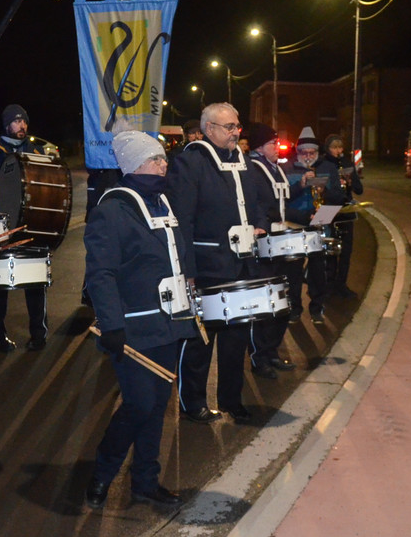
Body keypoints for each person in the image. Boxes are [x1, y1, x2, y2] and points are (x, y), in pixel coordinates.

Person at [83, 131, 196, 511]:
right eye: (155, 160)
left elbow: (179, 255)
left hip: (168, 322)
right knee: (140, 405)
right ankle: (102, 472)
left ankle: (145, 482)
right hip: (131, 328)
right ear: (133, 166)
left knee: (157, 404)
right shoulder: (111, 210)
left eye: (163, 159)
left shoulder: (163, 201)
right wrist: (111, 324)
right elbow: (100, 274)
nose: (164, 166)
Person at [167, 102, 264, 424]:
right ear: (209, 129)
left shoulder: (244, 160)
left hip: (242, 265)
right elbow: (182, 221)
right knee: (200, 340)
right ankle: (192, 402)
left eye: (237, 126)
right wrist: (188, 272)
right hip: (207, 266)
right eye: (229, 127)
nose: (236, 131)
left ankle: (231, 401)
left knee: (236, 339)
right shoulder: (190, 162)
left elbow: (255, 203)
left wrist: (259, 224)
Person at [0, 104, 48, 353]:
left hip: (29, 221)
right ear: (7, 125)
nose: (22, 126)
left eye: (24, 122)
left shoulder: (34, 150)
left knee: (35, 280)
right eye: (17, 122)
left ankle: (39, 334)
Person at [242, 122, 299, 376]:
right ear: (259, 147)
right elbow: (261, 206)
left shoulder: (276, 169)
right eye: (271, 144)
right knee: (265, 301)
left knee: (283, 298)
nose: (276, 148)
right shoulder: (253, 170)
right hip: (265, 242)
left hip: (280, 240)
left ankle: (272, 351)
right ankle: (259, 357)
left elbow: (283, 201)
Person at [283, 126, 329, 322]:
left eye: (312, 153)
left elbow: (337, 196)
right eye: (304, 153)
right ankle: (295, 308)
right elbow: (282, 199)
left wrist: (329, 191)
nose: (308, 156)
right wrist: (301, 184)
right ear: (298, 153)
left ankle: (317, 308)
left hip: (318, 224)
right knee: (293, 270)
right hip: (294, 225)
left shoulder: (325, 168)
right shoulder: (286, 169)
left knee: (318, 270)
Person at [314, 133, 363, 295]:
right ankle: (327, 285)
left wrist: (351, 181)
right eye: (334, 147)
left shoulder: (346, 163)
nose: (338, 150)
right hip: (328, 211)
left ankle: (341, 284)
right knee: (328, 249)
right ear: (328, 149)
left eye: (340, 147)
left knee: (346, 250)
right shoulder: (322, 164)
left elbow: (359, 189)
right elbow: (320, 192)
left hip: (345, 211)